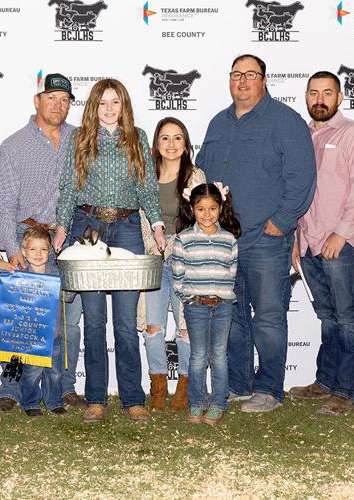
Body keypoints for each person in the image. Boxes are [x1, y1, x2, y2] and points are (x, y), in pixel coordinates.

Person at [196, 54, 316, 413]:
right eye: (236, 74)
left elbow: (302, 177)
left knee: (267, 316)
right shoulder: (218, 123)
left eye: (251, 74)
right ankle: (240, 384)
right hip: (224, 239)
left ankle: (269, 389)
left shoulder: (285, 121)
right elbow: (202, 175)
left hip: (266, 238)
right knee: (230, 315)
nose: (243, 81)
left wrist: (282, 220)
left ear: (265, 80)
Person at [53, 78, 166, 424]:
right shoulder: (79, 138)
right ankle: (96, 399)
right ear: (93, 107)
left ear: (124, 105)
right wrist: (60, 227)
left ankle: (133, 398)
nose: (109, 109)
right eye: (102, 103)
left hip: (129, 229)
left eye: (115, 102)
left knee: (124, 321)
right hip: (87, 227)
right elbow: (69, 186)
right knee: (95, 320)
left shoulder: (138, 137)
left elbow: (146, 188)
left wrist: (158, 225)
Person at [0, 73, 87, 414]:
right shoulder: (14, 144)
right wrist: (11, 249)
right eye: (52, 98)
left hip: (69, 241)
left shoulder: (81, 139)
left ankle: (64, 387)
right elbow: (5, 203)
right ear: (37, 100)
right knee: (22, 321)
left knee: (67, 322)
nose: (58, 105)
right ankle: (11, 389)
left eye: (64, 100)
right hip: (27, 240)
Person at [289, 71, 354, 416]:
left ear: (340, 98)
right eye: (313, 93)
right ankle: (325, 380)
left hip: (341, 241)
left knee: (348, 315)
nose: (320, 99)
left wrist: (341, 232)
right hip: (309, 242)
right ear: (307, 97)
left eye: (327, 92)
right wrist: (296, 239)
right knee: (327, 316)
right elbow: (300, 191)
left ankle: (345, 391)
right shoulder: (302, 137)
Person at [138, 117, 205, 412]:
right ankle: (158, 385)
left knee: (186, 327)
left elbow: (204, 219)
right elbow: (142, 217)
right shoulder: (146, 176)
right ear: (155, 145)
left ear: (186, 144)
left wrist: (178, 246)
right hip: (154, 259)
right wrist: (155, 246)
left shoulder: (195, 176)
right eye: (165, 138)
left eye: (178, 138)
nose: (171, 144)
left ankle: (185, 387)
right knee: (153, 327)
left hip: (186, 261)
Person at [172, 183, 240, 427]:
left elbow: (231, 271)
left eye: (213, 208)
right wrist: (188, 298)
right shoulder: (184, 239)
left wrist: (222, 294)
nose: (207, 214)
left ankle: (219, 403)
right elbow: (177, 275)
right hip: (196, 306)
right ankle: (197, 402)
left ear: (221, 209)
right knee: (199, 356)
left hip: (223, 306)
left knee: (219, 355)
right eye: (201, 209)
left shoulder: (229, 239)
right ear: (192, 209)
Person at [0, 226, 76, 417]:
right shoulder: (17, 275)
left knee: (54, 372)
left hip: (54, 334)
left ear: (51, 251)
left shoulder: (57, 274)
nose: (38, 254)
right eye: (32, 249)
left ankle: (54, 402)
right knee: (31, 372)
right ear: (23, 251)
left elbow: (69, 296)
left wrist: (71, 282)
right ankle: (30, 403)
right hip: (30, 337)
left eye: (43, 249)